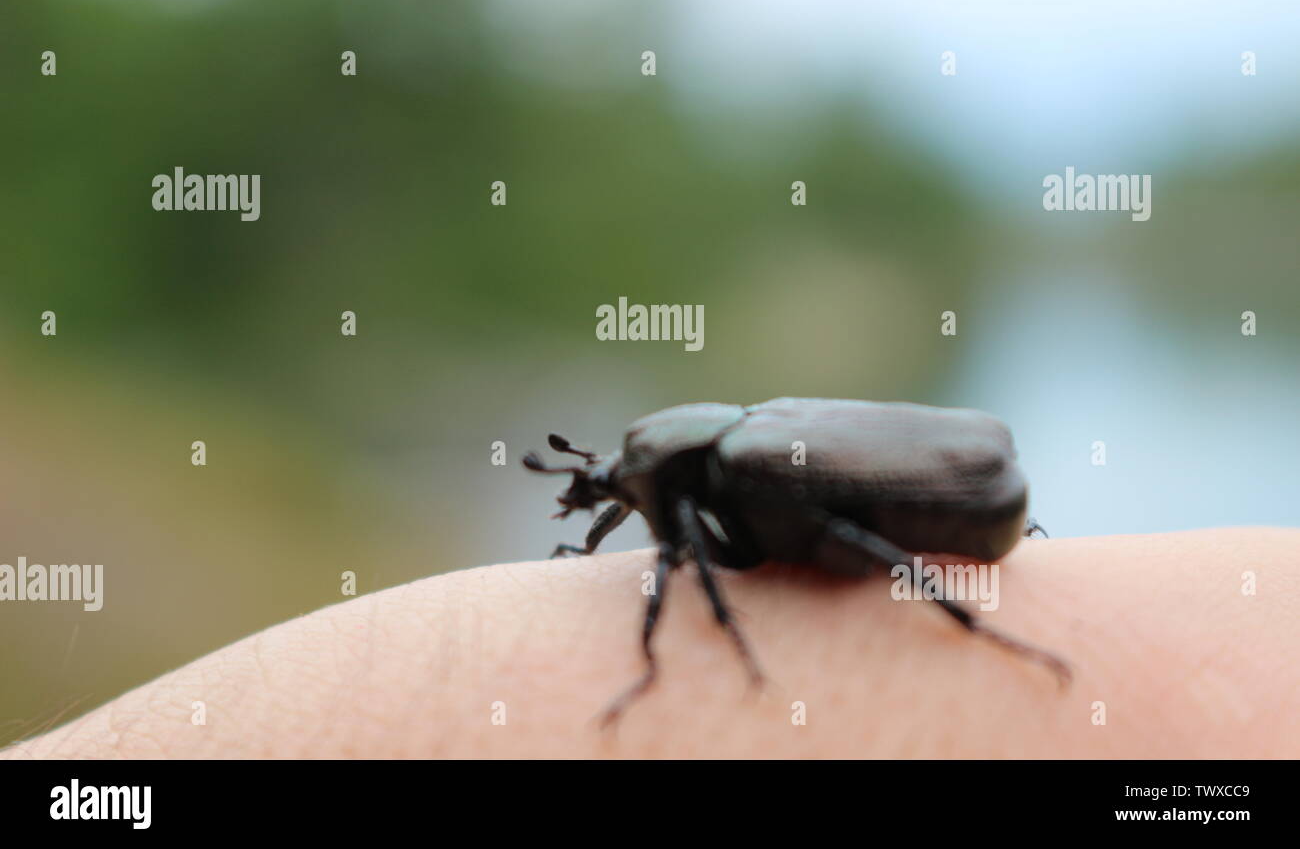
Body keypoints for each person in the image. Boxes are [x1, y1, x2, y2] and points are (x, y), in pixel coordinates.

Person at [3, 527, 1294, 758]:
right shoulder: (705, 492)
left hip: (950, 507)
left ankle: (971, 628)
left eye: (624, 495)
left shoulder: (725, 494)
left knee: (859, 534)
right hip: (966, 497)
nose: (617, 517)